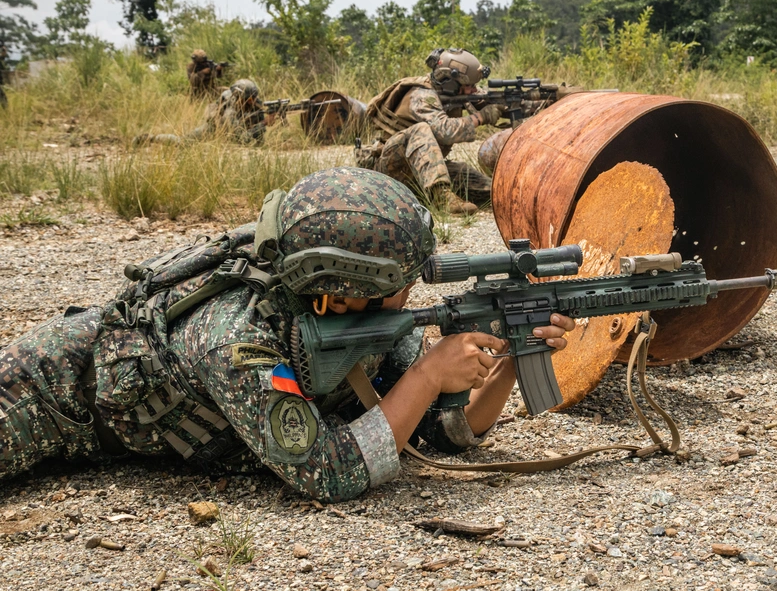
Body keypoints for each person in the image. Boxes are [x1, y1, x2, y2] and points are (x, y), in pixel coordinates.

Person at [0, 167, 576, 502]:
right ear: (346, 292)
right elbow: (329, 470)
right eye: (404, 279)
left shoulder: (361, 321)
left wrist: (509, 358)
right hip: (48, 392)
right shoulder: (237, 336)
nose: (414, 290)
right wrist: (429, 374)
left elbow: (433, 432)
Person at [358, 48, 502, 215]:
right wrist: (481, 117)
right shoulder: (421, 95)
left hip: (421, 173)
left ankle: (505, 196)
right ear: (450, 82)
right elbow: (445, 131)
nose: (473, 90)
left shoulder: (454, 92)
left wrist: (511, 104)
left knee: (486, 187)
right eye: (469, 86)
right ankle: (442, 198)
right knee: (421, 130)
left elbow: (487, 99)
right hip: (391, 172)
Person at [138, 79, 270, 146]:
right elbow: (242, 139)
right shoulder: (230, 111)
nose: (253, 102)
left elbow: (258, 143)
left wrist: (261, 123)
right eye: (250, 99)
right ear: (240, 98)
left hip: (233, 130)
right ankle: (151, 138)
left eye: (254, 98)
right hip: (213, 128)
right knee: (182, 143)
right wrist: (263, 123)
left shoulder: (253, 102)